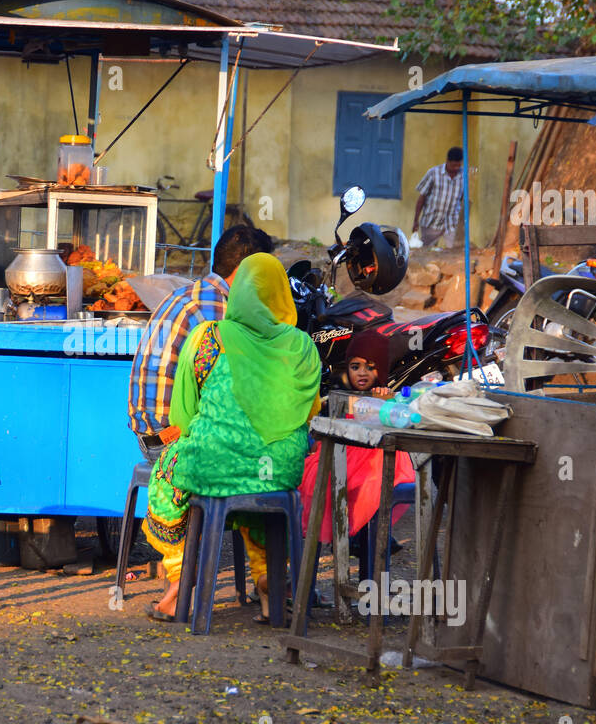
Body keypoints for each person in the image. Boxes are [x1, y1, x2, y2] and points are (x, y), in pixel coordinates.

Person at [141, 253, 322, 623]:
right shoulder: (303, 346)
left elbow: (183, 415)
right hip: (280, 472)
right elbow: (310, 412)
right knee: (259, 491)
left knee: (165, 477)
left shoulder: (210, 337)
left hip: (211, 465)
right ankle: (270, 580)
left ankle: (178, 584)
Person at [127, 224, 273, 463]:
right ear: (250, 270)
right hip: (173, 441)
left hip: (150, 436)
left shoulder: (188, 295)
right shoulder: (222, 309)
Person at [300, 329, 415, 580]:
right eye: (355, 366)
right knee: (318, 479)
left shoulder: (389, 398)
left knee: (370, 488)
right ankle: (351, 537)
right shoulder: (338, 397)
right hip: (344, 460)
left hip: (378, 466)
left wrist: (384, 403)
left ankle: (362, 538)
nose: (362, 373)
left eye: (370, 366)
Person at [413, 146, 465, 248]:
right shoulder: (433, 173)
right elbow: (421, 198)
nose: (456, 169)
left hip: (452, 223)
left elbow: (464, 200)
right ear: (447, 161)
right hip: (431, 222)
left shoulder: (464, 176)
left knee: (454, 252)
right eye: (453, 165)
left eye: (458, 166)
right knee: (427, 253)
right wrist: (416, 220)